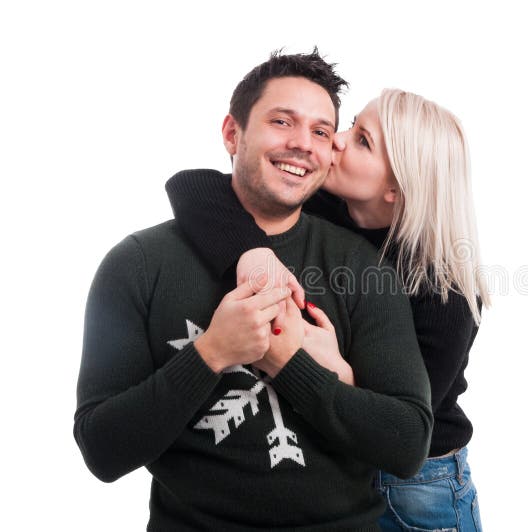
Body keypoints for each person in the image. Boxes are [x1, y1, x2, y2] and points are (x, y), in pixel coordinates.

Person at [74, 49, 433, 531]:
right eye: (282, 121)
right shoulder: (137, 265)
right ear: (231, 133)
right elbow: (102, 450)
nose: (303, 144)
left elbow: (408, 445)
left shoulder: (361, 266)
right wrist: (211, 353)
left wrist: (290, 364)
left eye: (321, 132)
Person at [167, 88, 490, 531]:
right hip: (329, 459)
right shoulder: (324, 208)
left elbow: (405, 430)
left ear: (396, 187)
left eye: (362, 141)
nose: (335, 139)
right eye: (353, 124)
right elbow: (193, 186)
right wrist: (251, 253)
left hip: (415, 489)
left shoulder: (445, 293)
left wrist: (338, 369)